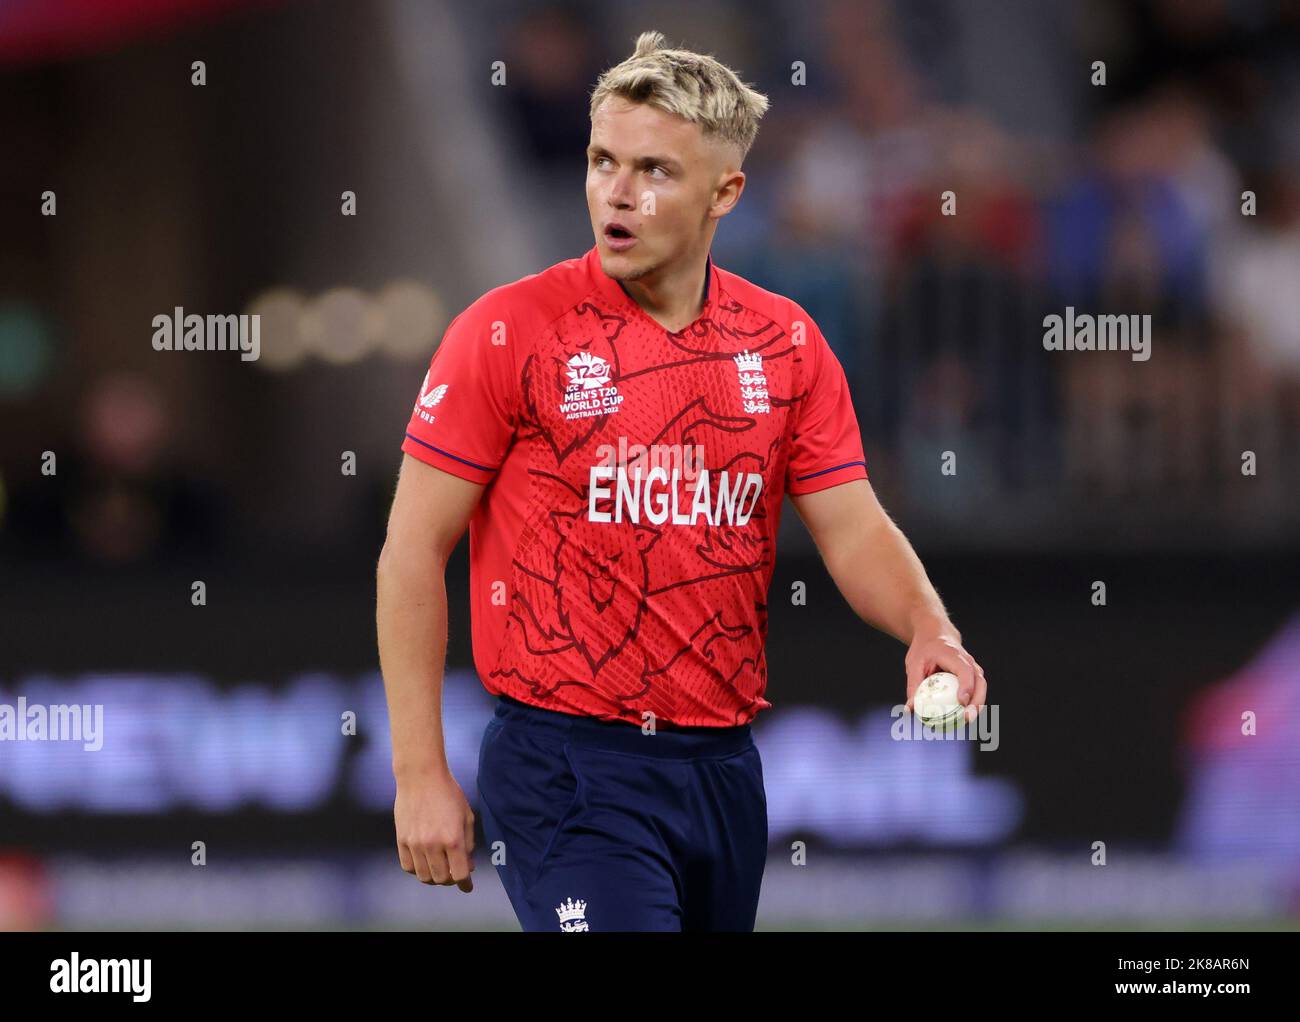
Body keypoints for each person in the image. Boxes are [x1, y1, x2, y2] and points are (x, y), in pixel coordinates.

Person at [376, 30, 988, 932]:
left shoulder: (785, 344)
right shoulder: (507, 331)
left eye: (655, 170)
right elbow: (410, 554)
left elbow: (852, 527)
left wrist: (927, 626)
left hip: (721, 770)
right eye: (602, 161)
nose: (617, 195)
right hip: (567, 766)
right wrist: (420, 773)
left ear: (725, 193)